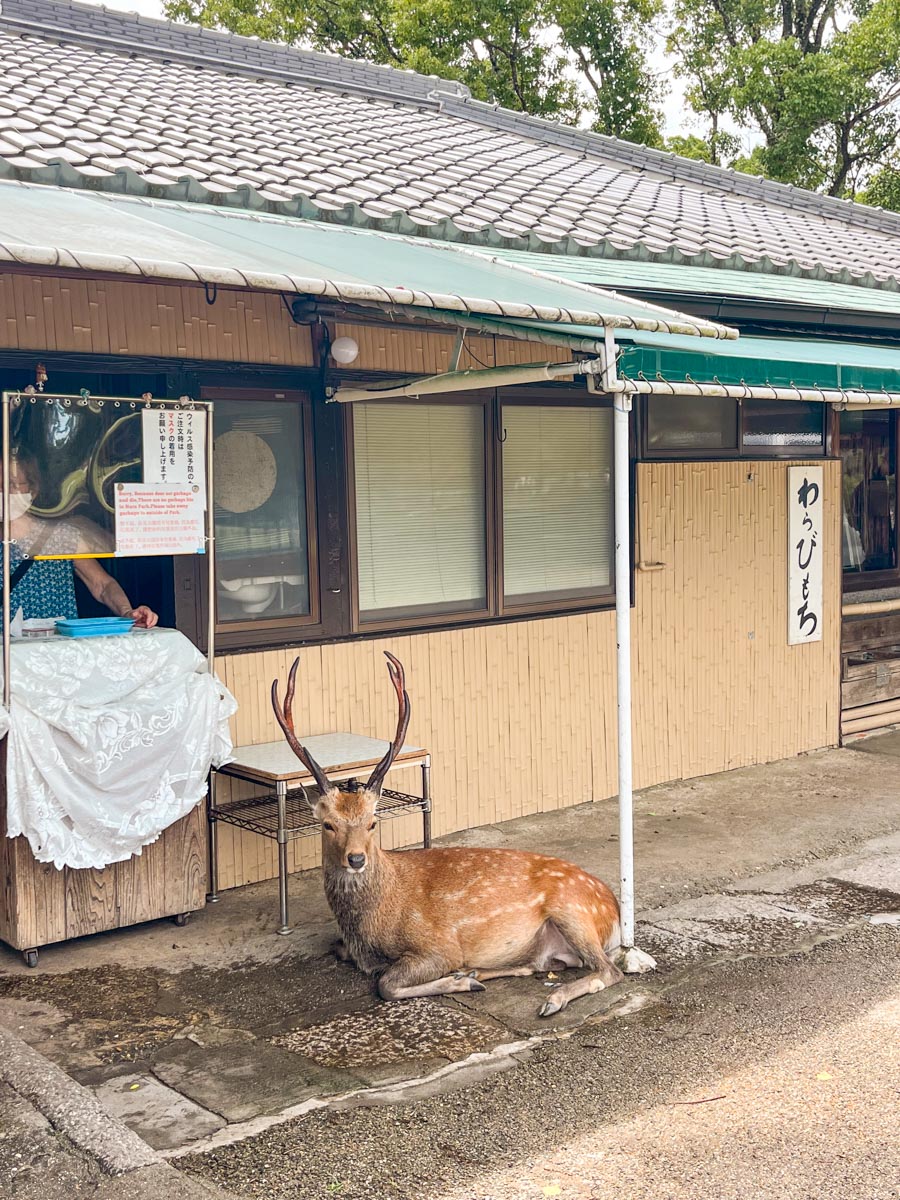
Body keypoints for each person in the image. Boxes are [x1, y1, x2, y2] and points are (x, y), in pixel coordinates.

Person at [4, 451, 158, 627]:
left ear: (33, 489)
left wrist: (127, 612)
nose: (2, 491)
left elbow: (102, 584)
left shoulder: (60, 535)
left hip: (51, 647)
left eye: (10, 484)